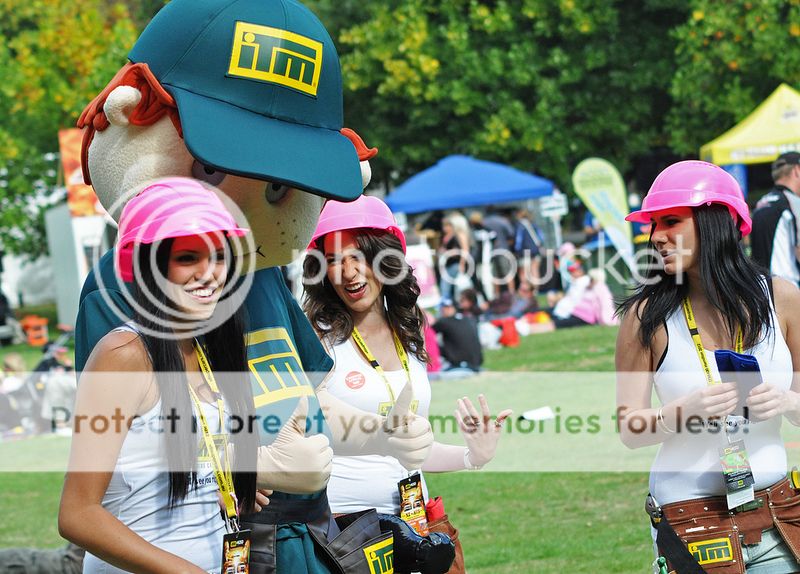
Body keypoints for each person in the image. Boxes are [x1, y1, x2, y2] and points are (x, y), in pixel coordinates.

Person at [59, 178, 265, 573]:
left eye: (219, 257)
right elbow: (77, 514)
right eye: (188, 258)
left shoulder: (206, 349)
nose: (209, 274)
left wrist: (223, 486)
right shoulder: (123, 356)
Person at [303, 195, 511, 570]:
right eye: (334, 260)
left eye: (359, 256)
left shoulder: (409, 331)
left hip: (415, 528)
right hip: (348, 535)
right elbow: (304, 426)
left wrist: (471, 456)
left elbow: (413, 448)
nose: (348, 272)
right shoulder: (316, 338)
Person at [616, 160, 800, 572]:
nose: (657, 237)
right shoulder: (646, 316)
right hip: (691, 523)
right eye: (653, 225)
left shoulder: (782, 299)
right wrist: (686, 411)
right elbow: (630, 429)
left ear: (715, 221)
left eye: (671, 221)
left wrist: (789, 401)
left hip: (779, 514)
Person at [750, 151, 800, 287]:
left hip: (761, 287)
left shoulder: (762, 203)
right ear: (797, 170)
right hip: (789, 289)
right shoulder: (794, 202)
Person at [552, 269, 616, 329]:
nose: (588, 280)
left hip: (585, 317)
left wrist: (605, 321)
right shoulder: (589, 288)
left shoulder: (600, 289)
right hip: (575, 313)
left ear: (595, 279)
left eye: (591, 279)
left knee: (556, 323)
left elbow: (605, 306)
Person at [432, 299, 484, 372]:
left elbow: (428, 334)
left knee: (430, 343)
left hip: (459, 365)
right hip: (477, 363)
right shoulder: (468, 319)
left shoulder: (444, 322)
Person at [437, 212, 471, 303]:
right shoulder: (445, 237)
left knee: (458, 289)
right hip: (447, 265)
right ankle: (447, 306)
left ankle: (459, 306)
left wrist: (462, 264)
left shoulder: (458, 235)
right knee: (446, 288)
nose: (445, 228)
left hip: (455, 264)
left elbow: (464, 250)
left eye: (447, 225)